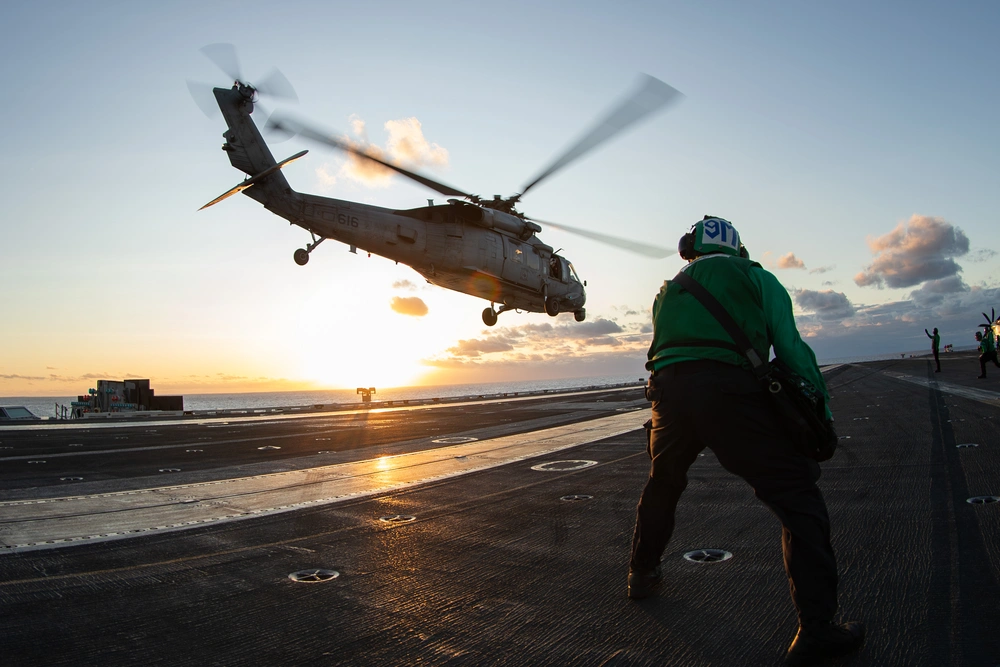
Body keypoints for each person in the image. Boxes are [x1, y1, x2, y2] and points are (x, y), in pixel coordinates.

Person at [628, 216, 864, 666]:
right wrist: (822, 413)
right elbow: (791, 350)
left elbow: (663, 347)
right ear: (738, 248)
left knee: (663, 483)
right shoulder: (757, 277)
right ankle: (816, 630)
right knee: (796, 499)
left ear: (688, 249)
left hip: (669, 395)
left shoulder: (668, 289)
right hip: (730, 394)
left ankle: (641, 572)